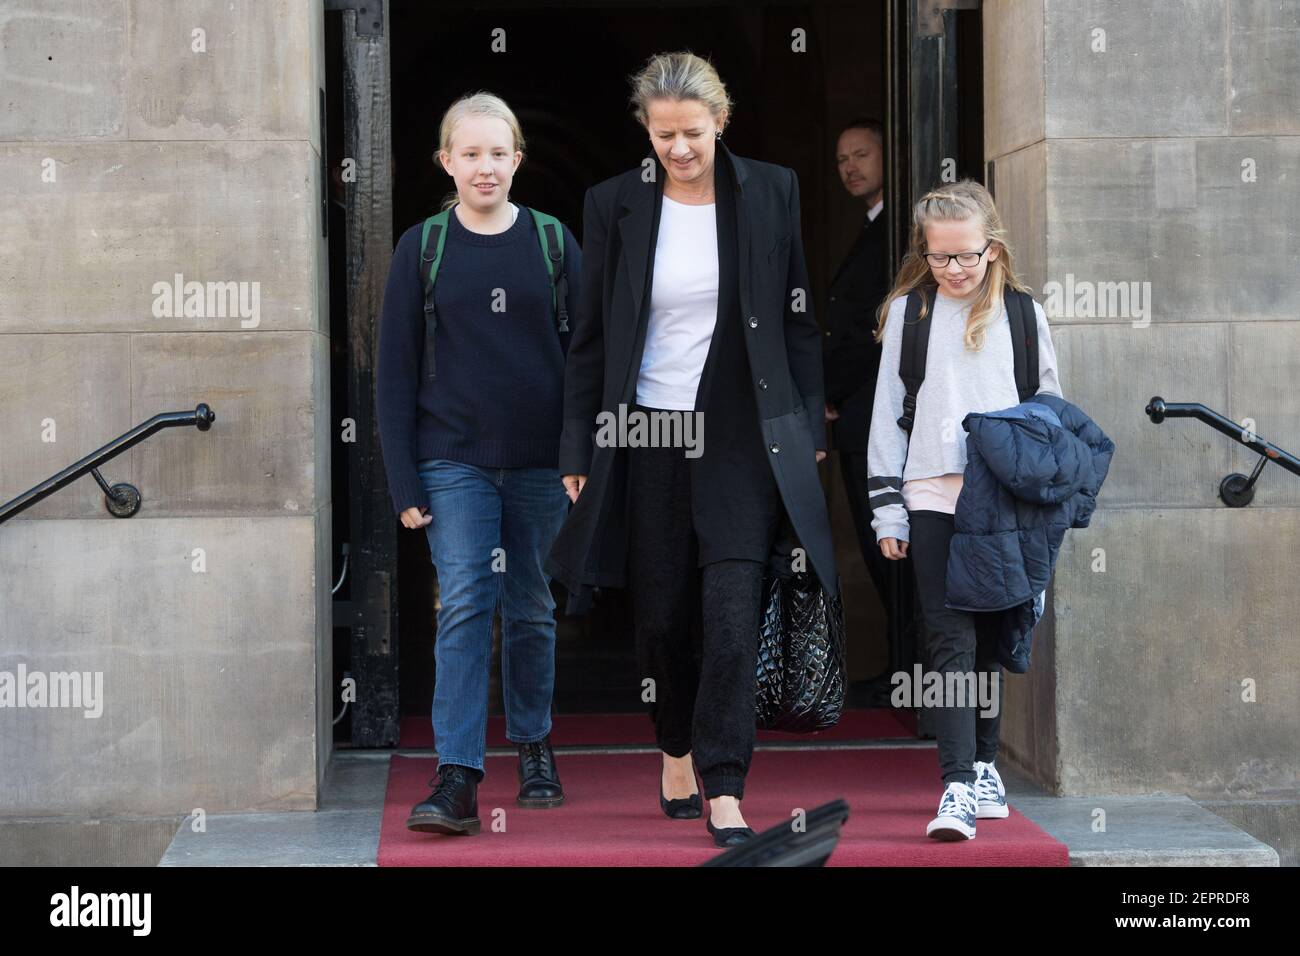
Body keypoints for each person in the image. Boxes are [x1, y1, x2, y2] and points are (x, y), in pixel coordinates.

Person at [544, 51, 838, 848]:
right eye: (664, 134)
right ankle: (673, 745)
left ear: (722, 121)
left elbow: (796, 319)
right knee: (665, 617)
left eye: (693, 134)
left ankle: (727, 783)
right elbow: (592, 340)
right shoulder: (613, 205)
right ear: (646, 128)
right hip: (651, 434)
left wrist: (807, 425)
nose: (678, 149)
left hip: (744, 435)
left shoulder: (772, 191)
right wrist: (580, 443)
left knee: (733, 613)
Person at [374, 92, 581, 836]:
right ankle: (457, 771)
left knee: (530, 604)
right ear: (447, 162)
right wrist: (403, 479)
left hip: (540, 464)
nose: (485, 166)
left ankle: (533, 744)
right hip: (451, 461)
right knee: (464, 600)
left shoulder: (554, 243)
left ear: (518, 160)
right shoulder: (421, 247)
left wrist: (579, 456)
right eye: (470, 153)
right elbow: (393, 373)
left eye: (499, 153)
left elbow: (584, 361)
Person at [866, 180, 1062, 840]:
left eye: (966, 257)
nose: (953, 270)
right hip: (930, 497)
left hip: (1003, 505)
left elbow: (1051, 418)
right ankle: (954, 784)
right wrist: (888, 510)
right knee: (947, 639)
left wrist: (1045, 511)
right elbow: (887, 419)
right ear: (924, 253)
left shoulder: (1025, 316)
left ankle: (983, 765)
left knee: (988, 642)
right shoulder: (908, 315)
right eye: (940, 257)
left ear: (993, 249)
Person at [822, 118, 897, 686]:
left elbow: (871, 332)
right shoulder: (872, 230)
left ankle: (909, 672)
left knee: (890, 547)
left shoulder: (895, 234)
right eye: (843, 158)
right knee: (881, 547)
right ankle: (903, 667)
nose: (850, 166)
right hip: (856, 414)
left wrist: (829, 393)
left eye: (862, 154)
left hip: (873, 413)